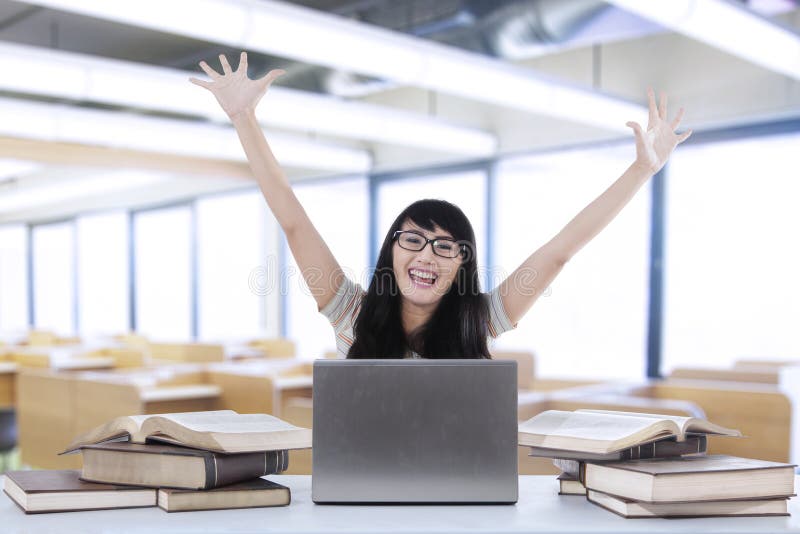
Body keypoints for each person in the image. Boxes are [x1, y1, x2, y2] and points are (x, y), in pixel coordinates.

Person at [191, 52, 691, 360]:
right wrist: (244, 119)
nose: (426, 255)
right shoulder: (352, 314)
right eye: (413, 239)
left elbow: (560, 250)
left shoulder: (480, 322)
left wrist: (641, 171)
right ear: (391, 251)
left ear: (461, 265)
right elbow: (294, 223)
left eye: (446, 247)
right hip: (365, 484)